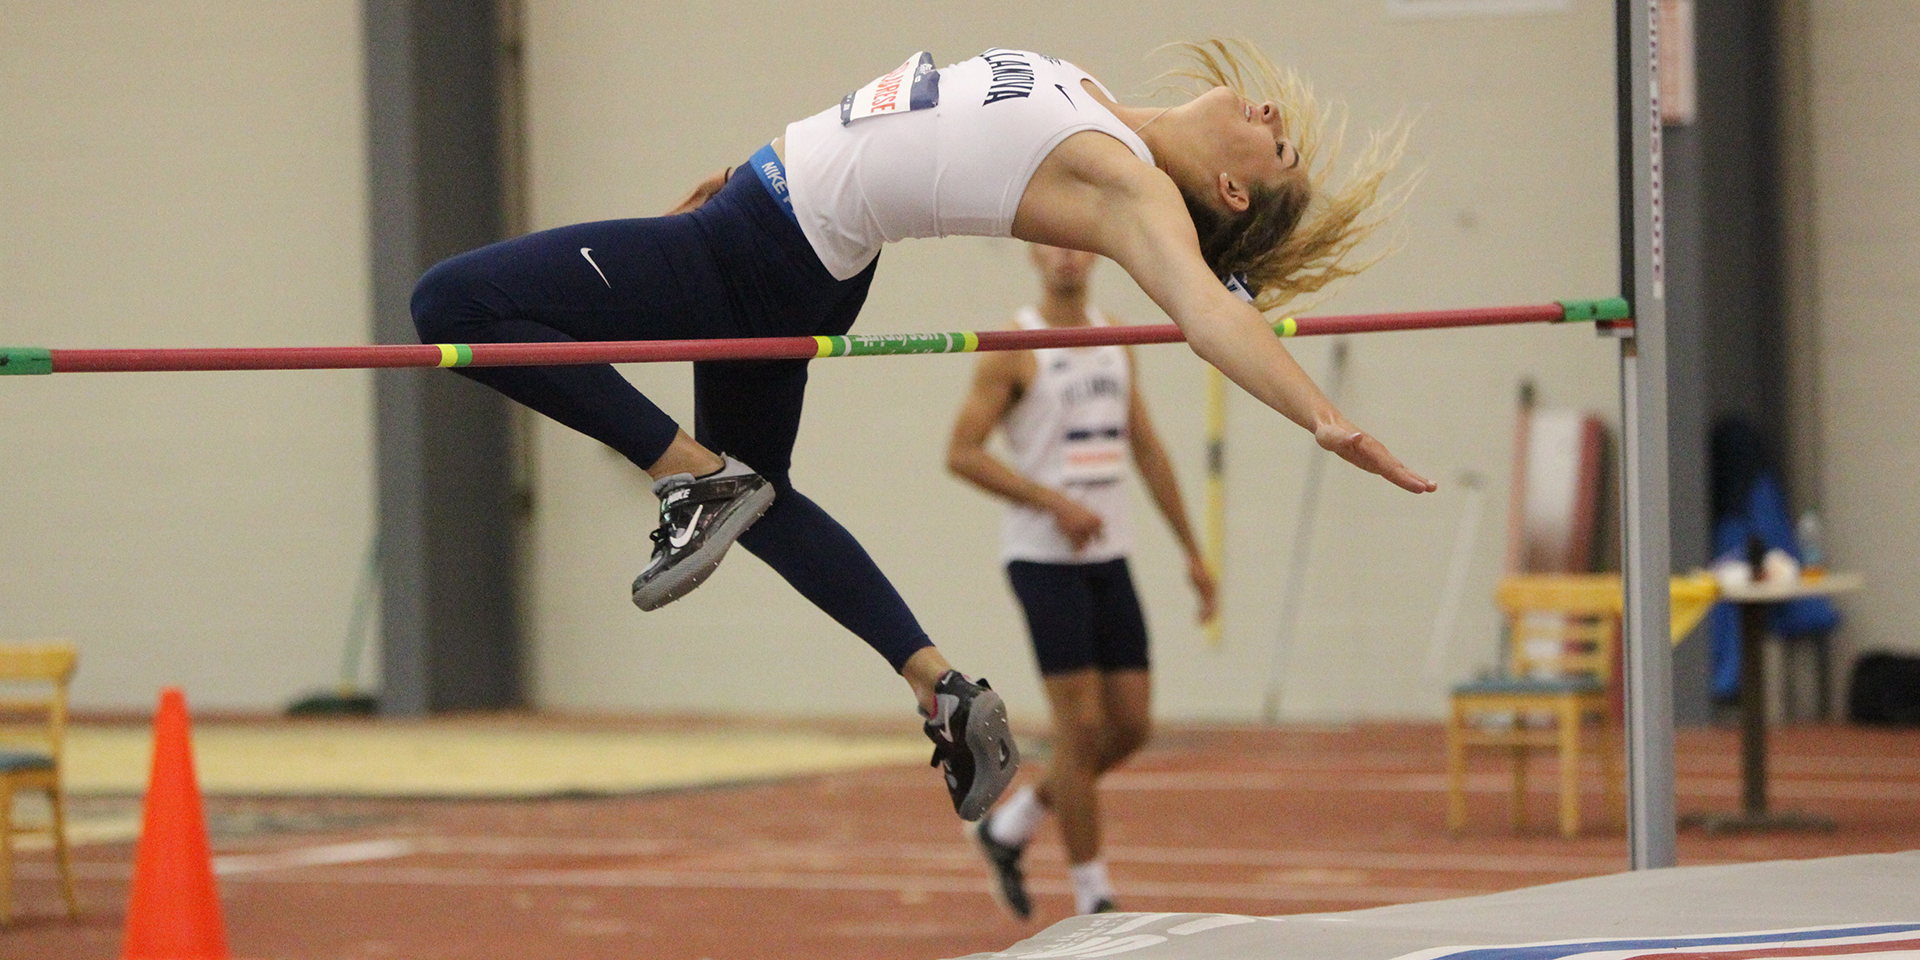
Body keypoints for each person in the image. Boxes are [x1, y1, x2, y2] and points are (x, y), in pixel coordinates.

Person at [408, 40, 1435, 825]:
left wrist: (1325, 417)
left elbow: (1209, 314)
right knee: (766, 495)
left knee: (452, 305)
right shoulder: (1095, 100)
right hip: (787, 239)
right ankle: (941, 688)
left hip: (758, 247)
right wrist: (746, 166)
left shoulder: (1131, 189)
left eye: (1276, 143)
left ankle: (689, 476)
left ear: (1232, 189)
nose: (1267, 111)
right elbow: (903, 125)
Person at [948, 242, 1218, 918]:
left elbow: (1147, 449)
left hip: (1109, 555)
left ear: (1093, 254)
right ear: (1033, 254)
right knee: (1081, 728)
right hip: (1042, 559)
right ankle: (1094, 898)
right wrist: (1052, 503)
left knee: (1130, 726)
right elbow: (962, 453)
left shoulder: (1115, 338)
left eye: (1076, 243)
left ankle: (1010, 829)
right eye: (1052, 243)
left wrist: (1192, 550)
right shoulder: (1014, 349)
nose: (1066, 255)